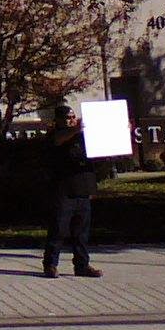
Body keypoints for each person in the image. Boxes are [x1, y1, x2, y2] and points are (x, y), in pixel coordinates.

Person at [43, 103, 103, 278]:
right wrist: (75, 130)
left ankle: (82, 265)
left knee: (81, 232)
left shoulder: (84, 136)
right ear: (58, 120)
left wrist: (122, 130)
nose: (71, 121)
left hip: (83, 188)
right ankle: (50, 265)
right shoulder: (56, 135)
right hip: (64, 190)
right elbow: (58, 140)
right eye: (67, 118)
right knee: (58, 229)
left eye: (73, 117)